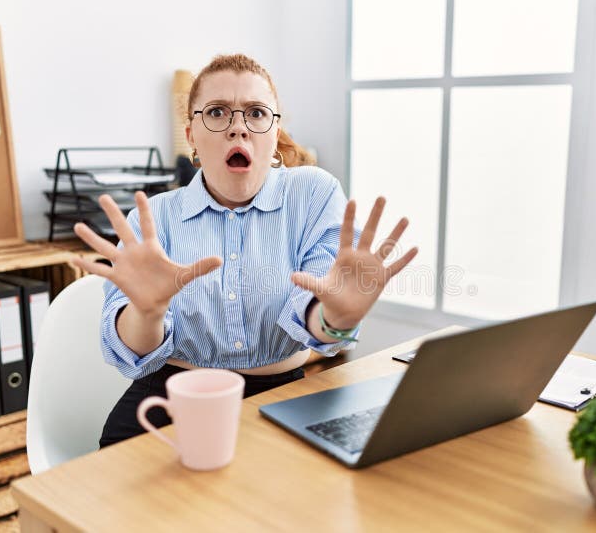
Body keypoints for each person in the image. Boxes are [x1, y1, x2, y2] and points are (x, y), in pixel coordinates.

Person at [71, 54, 418, 448]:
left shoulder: (314, 194)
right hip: (171, 395)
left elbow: (319, 313)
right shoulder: (153, 221)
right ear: (191, 137)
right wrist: (147, 313)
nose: (238, 128)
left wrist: (336, 316)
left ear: (275, 133)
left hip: (280, 393)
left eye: (255, 113)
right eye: (218, 112)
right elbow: (128, 349)